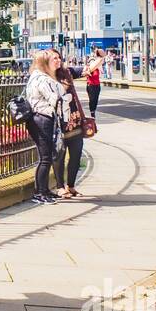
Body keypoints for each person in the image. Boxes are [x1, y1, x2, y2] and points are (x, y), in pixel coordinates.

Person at [23, 50, 62, 204]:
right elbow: (54, 99)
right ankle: (39, 192)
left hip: (40, 119)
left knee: (47, 156)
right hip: (42, 119)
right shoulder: (42, 79)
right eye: (52, 59)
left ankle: (45, 190)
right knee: (45, 158)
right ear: (44, 63)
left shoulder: (35, 76)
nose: (57, 61)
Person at [50, 51, 89, 199]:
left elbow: (87, 69)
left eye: (59, 57)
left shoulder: (67, 72)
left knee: (76, 155)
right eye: (54, 58)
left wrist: (100, 57)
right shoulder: (46, 77)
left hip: (74, 121)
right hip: (58, 123)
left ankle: (71, 186)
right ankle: (60, 187)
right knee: (59, 155)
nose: (58, 60)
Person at [85, 48, 105, 115]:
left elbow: (101, 70)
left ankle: (93, 111)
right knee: (92, 100)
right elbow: (86, 71)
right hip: (91, 85)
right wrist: (88, 70)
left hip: (97, 85)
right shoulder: (90, 67)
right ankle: (92, 112)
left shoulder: (98, 64)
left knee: (96, 100)